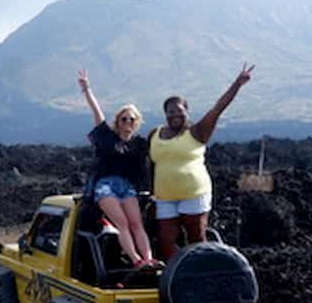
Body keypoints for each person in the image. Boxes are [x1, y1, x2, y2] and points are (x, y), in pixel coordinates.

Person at [150, 63, 255, 261]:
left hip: (193, 194)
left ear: (187, 112)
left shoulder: (197, 132)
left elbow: (218, 108)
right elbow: (149, 163)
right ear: (165, 114)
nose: (175, 115)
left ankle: (201, 272)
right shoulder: (155, 134)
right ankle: (174, 274)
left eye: (179, 111)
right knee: (165, 241)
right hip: (165, 197)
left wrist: (237, 84)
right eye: (170, 111)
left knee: (196, 239)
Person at [77, 69, 158, 268]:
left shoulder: (140, 144)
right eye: (124, 119)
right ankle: (136, 260)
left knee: (137, 223)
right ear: (118, 121)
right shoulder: (107, 137)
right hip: (105, 186)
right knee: (122, 223)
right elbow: (97, 113)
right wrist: (87, 89)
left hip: (127, 186)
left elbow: (154, 159)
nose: (128, 122)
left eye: (132, 119)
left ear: (137, 122)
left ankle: (148, 259)